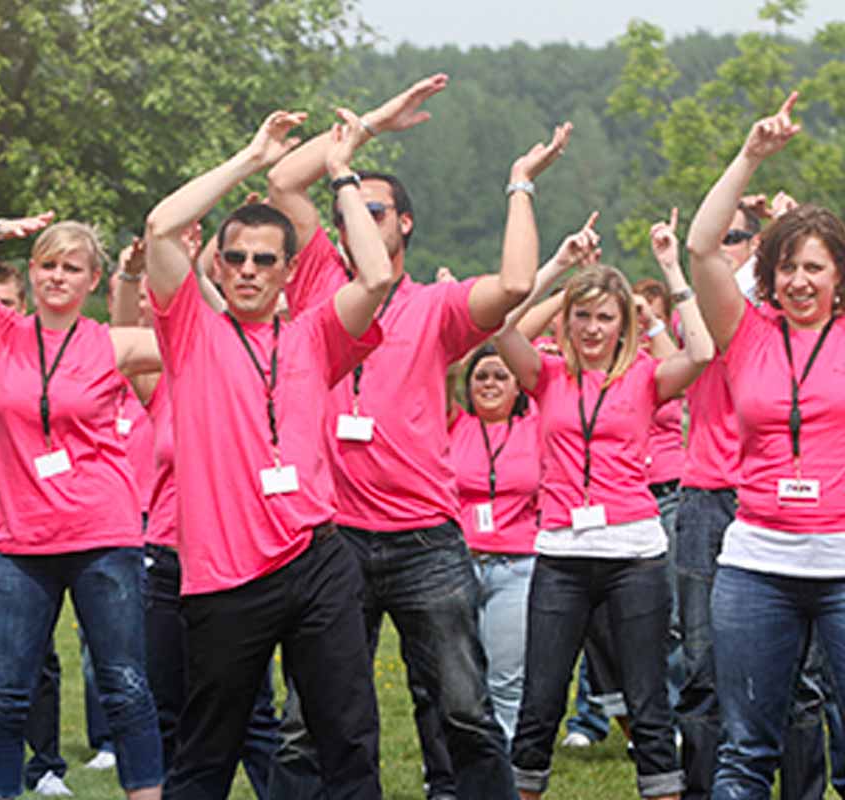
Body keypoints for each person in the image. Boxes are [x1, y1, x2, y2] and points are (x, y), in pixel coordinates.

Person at [265, 72, 569, 799]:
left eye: (376, 208)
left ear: (404, 224)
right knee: (311, 716)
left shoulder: (435, 306)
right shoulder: (318, 286)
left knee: (461, 708)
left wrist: (519, 184)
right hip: (330, 537)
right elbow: (281, 180)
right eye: (351, 209)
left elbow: (517, 285)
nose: (358, 218)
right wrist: (367, 126)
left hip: (424, 538)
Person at [143, 106, 392, 799]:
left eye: (264, 260)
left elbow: (374, 279)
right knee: (208, 748)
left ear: (288, 271)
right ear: (216, 265)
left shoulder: (314, 334)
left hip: (315, 559)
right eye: (235, 258)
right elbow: (161, 226)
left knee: (347, 733)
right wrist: (251, 160)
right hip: (225, 575)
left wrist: (342, 174)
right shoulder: (191, 329)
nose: (248, 270)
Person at [0, 213, 165, 800]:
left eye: (70, 267)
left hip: (103, 535)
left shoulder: (112, 342)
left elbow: (204, 346)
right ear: (32, 272)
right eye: (48, 264)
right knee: (5, 693)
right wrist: (3, 228)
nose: (57, 276)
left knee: (126, 686)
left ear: (90, 279)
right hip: (20, 544)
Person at [495, 203, 713, 799]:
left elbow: (701, 353)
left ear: (625, 325)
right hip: (561, 554)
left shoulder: (646, 375)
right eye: (582, 316)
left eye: (605, 318)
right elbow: (500, 326)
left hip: (634, 554)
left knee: (648, 704)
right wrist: (558, 269)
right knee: (540, 704)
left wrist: (670, 271)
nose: (592, 329)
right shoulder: (545, 375)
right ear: (566, 322)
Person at [685, 91, 845, 800]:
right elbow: (700, 245)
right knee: (747, 751)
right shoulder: (745, 332)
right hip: (757, 568)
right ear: (771, 275)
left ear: (838, 276)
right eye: (788, 267)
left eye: (815, 267)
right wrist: (750, 156)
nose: (800, 281)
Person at [111, 231, 281, 796]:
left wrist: (195, 266)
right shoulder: (162, 382)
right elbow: (120, 344)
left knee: (253, 714)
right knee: (165, 707)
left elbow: (227, 322)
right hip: (166, 558)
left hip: (235, 563)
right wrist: (134, 275)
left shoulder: (242, 371)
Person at [449, 343, 539, 743]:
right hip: (457, 564)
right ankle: (457, 762)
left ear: (518, 386)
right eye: (481, 376)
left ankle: (502, 766)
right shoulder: (453, 423)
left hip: (517, 567)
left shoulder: (536, 424)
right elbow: (442, 370)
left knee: (506, 677)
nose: (489, 384)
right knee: (457, 676)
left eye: (501, 376)